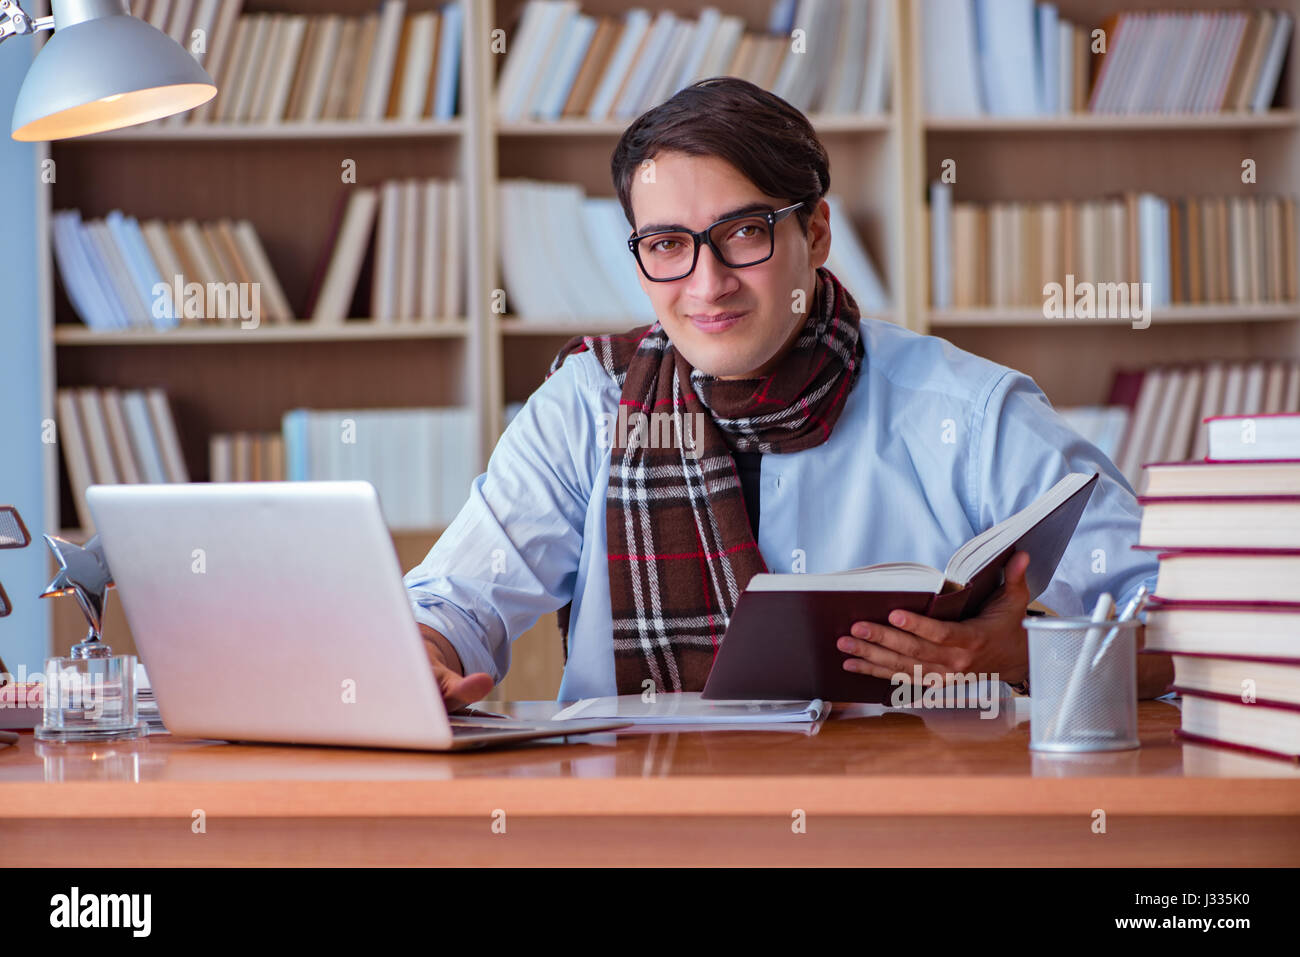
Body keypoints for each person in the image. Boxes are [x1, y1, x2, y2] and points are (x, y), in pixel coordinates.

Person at [404, 76, 1171, 710]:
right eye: (668, 244)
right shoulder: (586, 409)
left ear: (818, 233)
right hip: (641, 824)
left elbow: (1190, 625)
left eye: (744, 233)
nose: (708, 285)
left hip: (900, 828)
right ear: (640, 263)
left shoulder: (967, 414)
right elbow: (453, 602)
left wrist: (1031, 654)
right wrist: (424, 658)